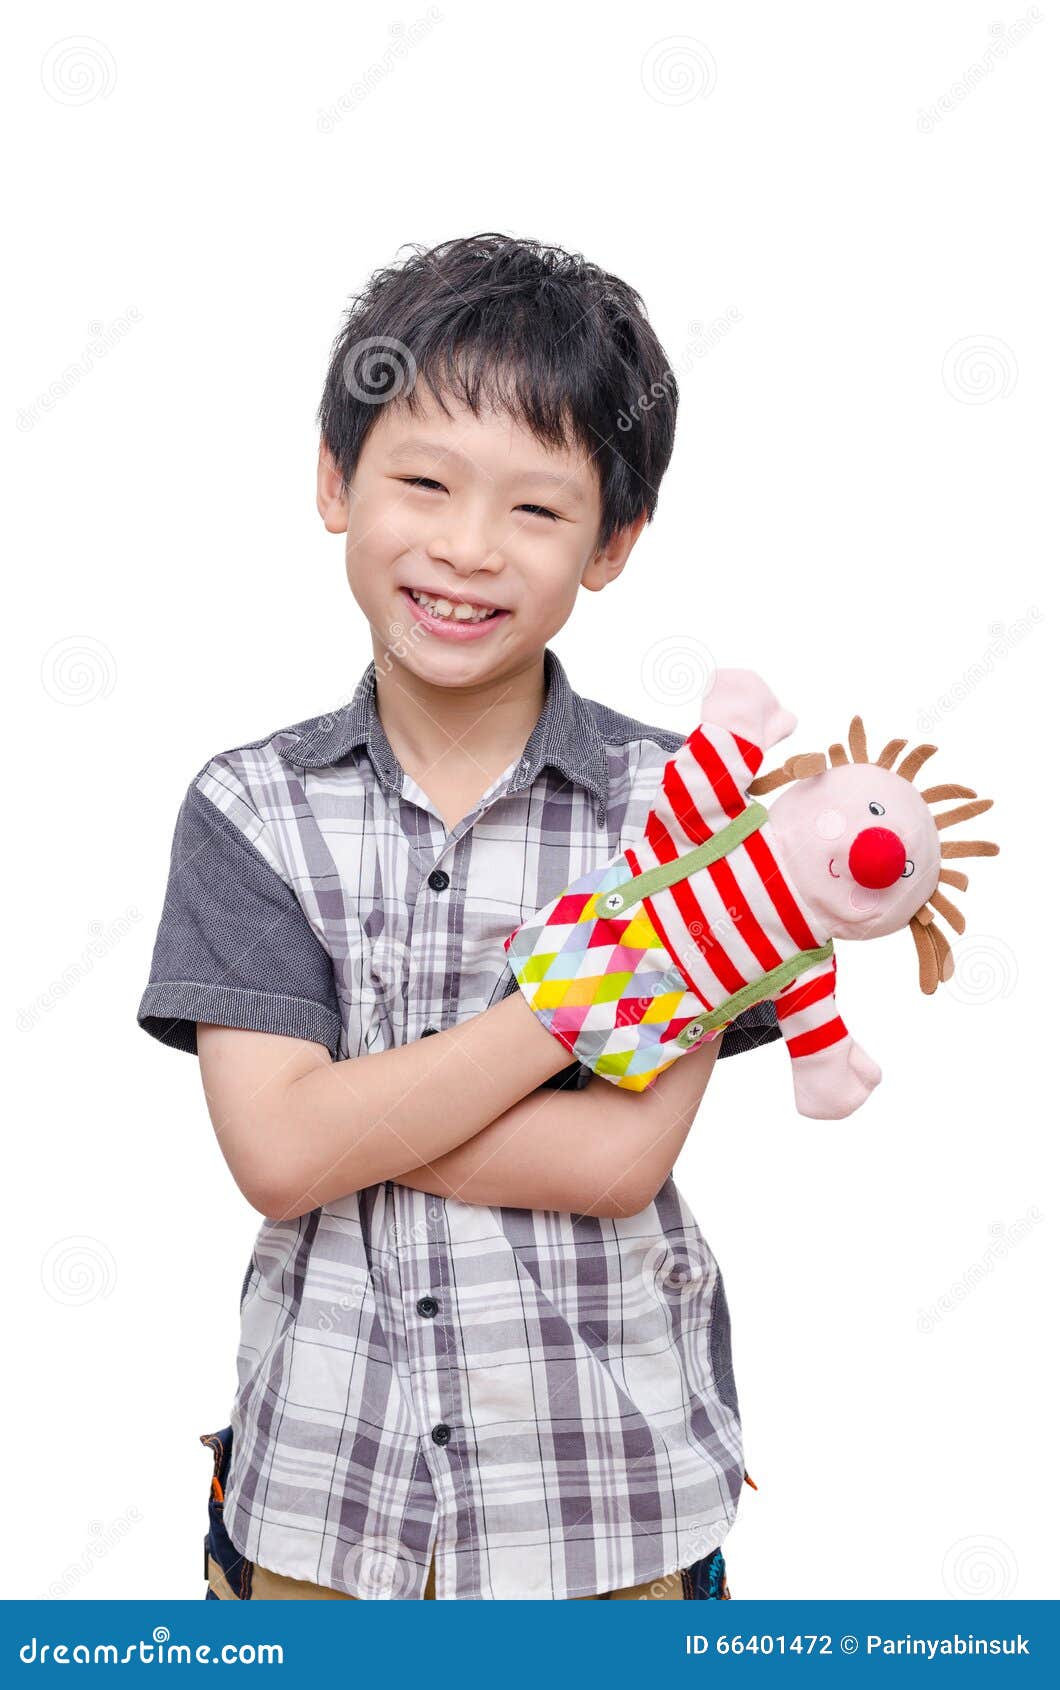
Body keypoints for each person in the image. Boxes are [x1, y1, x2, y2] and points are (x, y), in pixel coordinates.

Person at [137, 233, 778, 1601]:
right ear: (334, 481)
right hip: (318, 1512)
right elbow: (275, 1154)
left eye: (537, 511)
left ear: (613, 545)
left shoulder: (691, 814)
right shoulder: (251, 808)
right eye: (421, 480)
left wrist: (347, 1119)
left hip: (606, 1521)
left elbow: (614, 1161)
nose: (468, 549)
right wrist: (570, 1001)